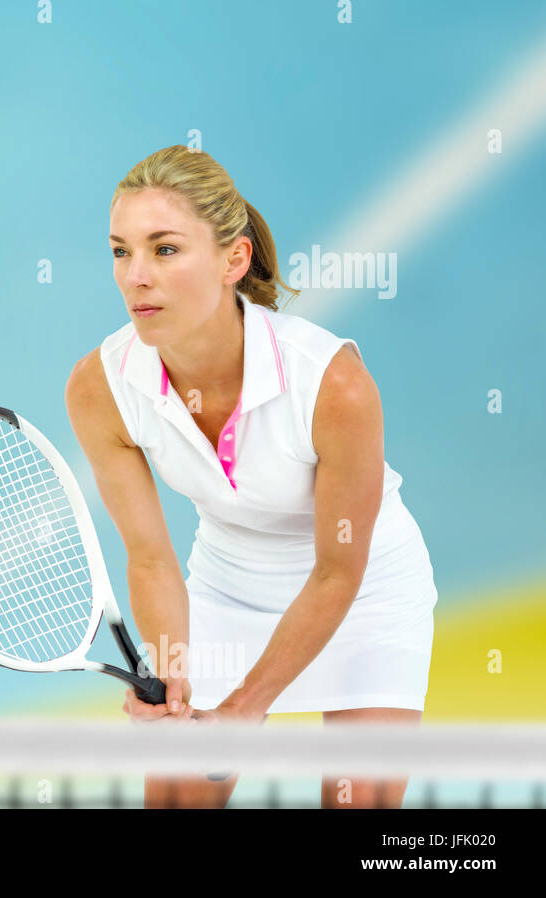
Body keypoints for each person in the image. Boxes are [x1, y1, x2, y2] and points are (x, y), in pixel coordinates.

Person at [64, 145, 437, 808]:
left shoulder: (333, 384)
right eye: (121, 251)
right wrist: (175, 679)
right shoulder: (100, 387)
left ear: (233, 259)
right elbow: (150, 560)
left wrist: (244, 707)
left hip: (366, 597)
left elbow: (337, 573)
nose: (135, 277)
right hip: (226, 592)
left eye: (165, 250)